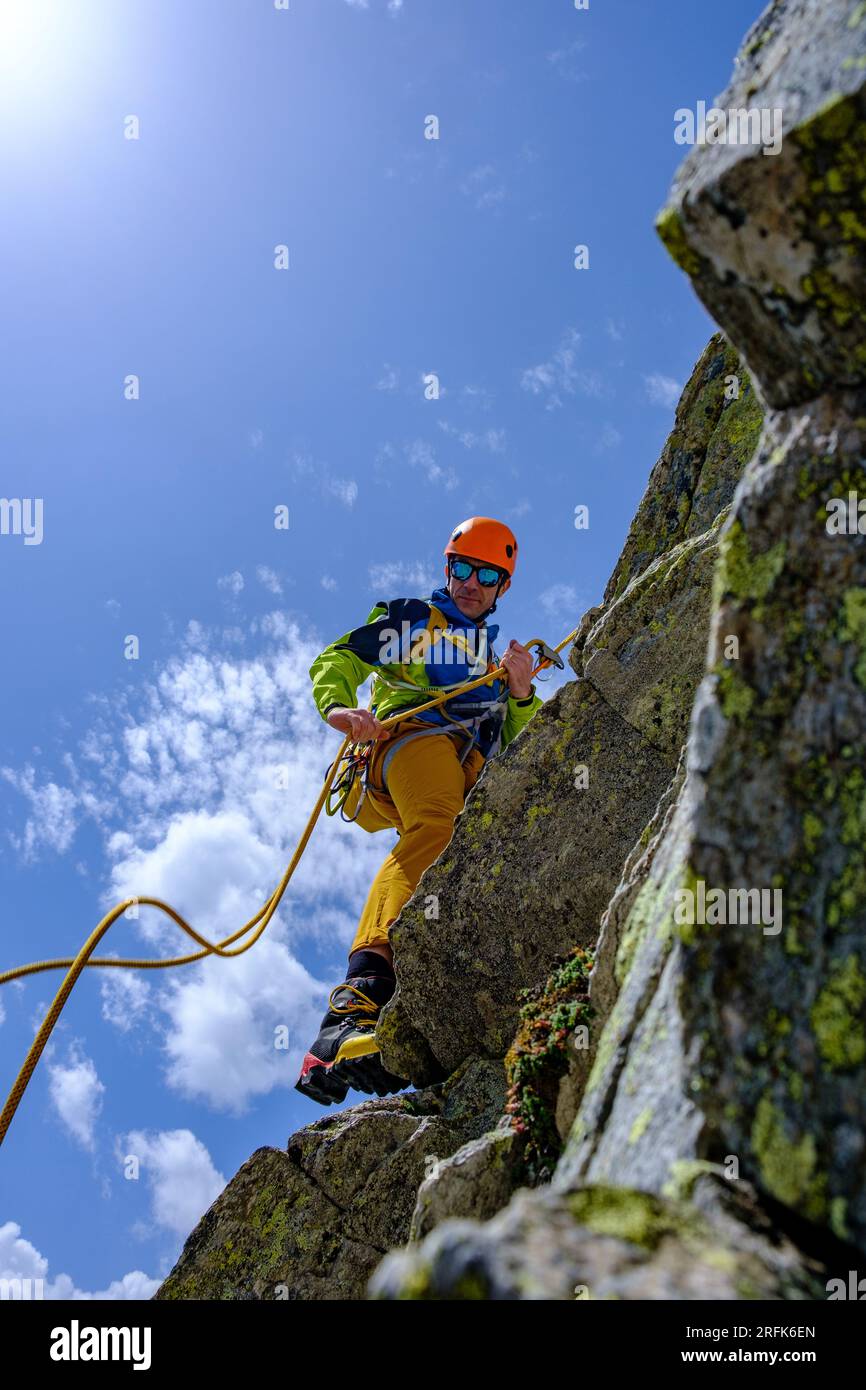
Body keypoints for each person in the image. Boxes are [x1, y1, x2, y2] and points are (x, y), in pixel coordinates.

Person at [295, 517, 543, 1106]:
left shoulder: (494, 664)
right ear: (447, 567)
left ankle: (386, 1026)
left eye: (487, 575)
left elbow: (517, 742)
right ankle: (355, 1001)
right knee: (436, 827)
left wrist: (522, 693)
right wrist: (339, 708)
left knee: (468, 861)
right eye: (462, 568)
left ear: (502, 587)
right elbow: (342, 658)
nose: (471, 583)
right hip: (409, 742)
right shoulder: (417, 624)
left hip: (467, 774)